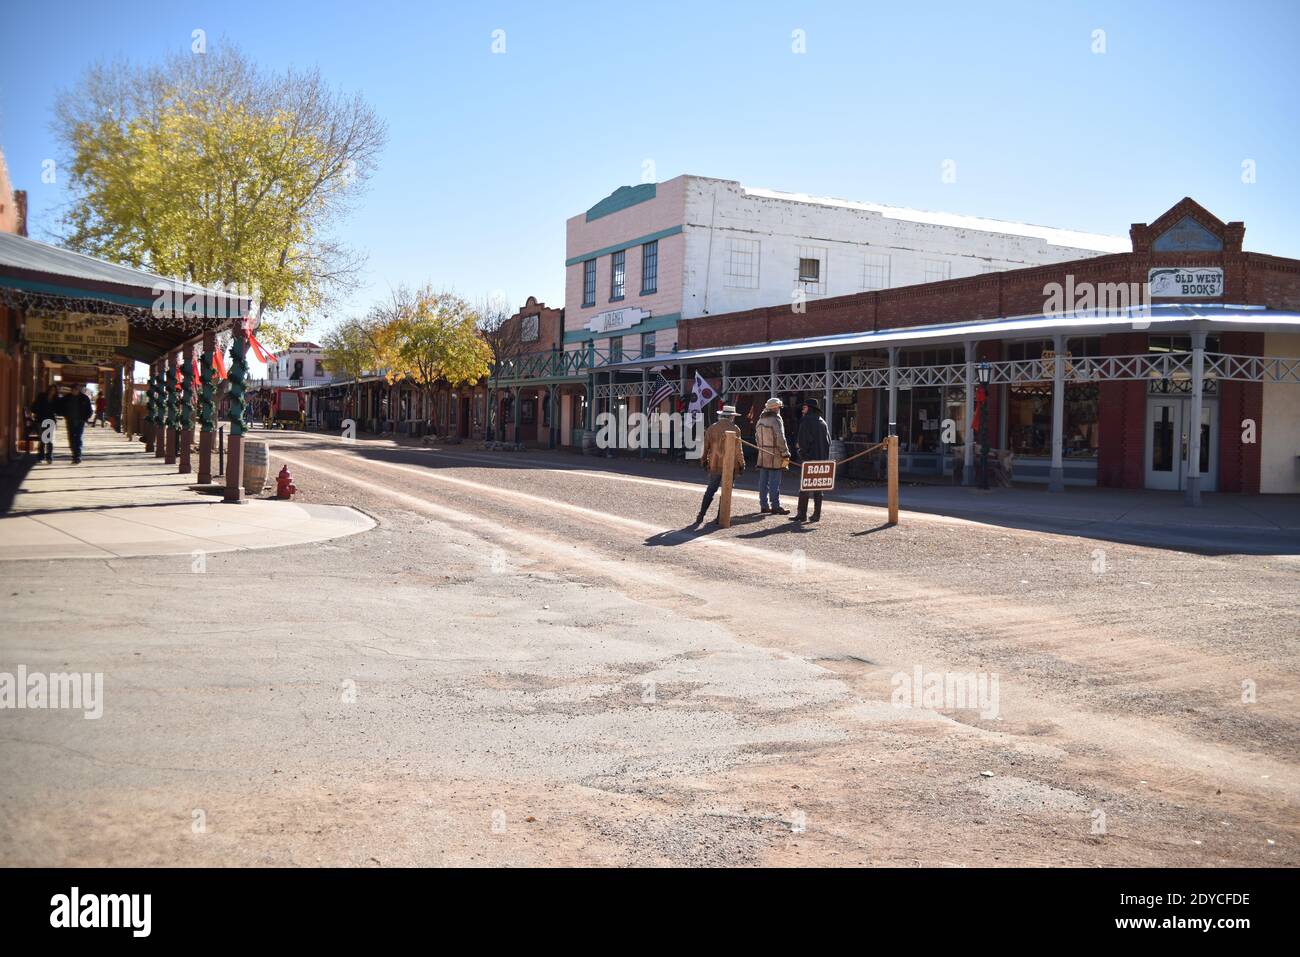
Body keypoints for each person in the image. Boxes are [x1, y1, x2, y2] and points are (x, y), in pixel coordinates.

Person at [694, 404, 744, 526]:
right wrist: (742, 464)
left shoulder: (712, 428)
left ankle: (701, 514)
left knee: (710, 490)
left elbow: (705, 447)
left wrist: (704, 461)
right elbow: (738, 450)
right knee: (725, 492)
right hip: (730, 465)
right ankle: (719, 518)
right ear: (731, 417)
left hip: (714, 464)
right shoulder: (735, 429)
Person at [791, 399, 831, 523]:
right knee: (818, 488)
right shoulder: (823, 422)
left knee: (804, 488)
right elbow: (828, 442)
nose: (802, 410)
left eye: (804, 407)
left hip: (809, 460)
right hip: (822, 460)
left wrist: (801, 454)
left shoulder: (806, 421)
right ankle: (816, 514)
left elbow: (802, 442)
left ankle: (801, 514)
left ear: (809, 408)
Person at [754, 397, 790, 515]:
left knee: (763, 482)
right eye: (778, 407)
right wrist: (785, 453)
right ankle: (775, 506)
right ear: (775, 408)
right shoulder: (776, 419)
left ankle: (764, 505)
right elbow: (780, 438)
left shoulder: (760, 420)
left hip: (763, 455)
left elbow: (757, 438)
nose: (779, 409)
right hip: (775, 455)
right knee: (774, 482)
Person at [57, 384, 93, 464]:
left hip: (80, 421)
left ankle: (78, 456)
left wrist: (86, 418)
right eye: (73, 389)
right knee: (71, 438)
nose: (74, 391)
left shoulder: (84, 398)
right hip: (70, 420)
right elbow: (60, 406)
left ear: (78, 390)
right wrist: (63, 414)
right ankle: (74, 453)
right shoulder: (67, 398)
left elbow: (89, 409)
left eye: (76, 389)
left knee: (78, 437)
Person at [30, 384, 60, 464]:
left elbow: (59, 409)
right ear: (48, 389)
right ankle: (40, 456)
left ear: (55, 391)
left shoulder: (56, 399)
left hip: (50, 420)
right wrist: (38, 411)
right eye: (51, 389)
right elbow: (33, 406)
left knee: (49, 440)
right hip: (41, 419)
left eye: (54, 390)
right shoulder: (41, 396)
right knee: (42, 439)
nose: (52, 391)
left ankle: (49, 457)